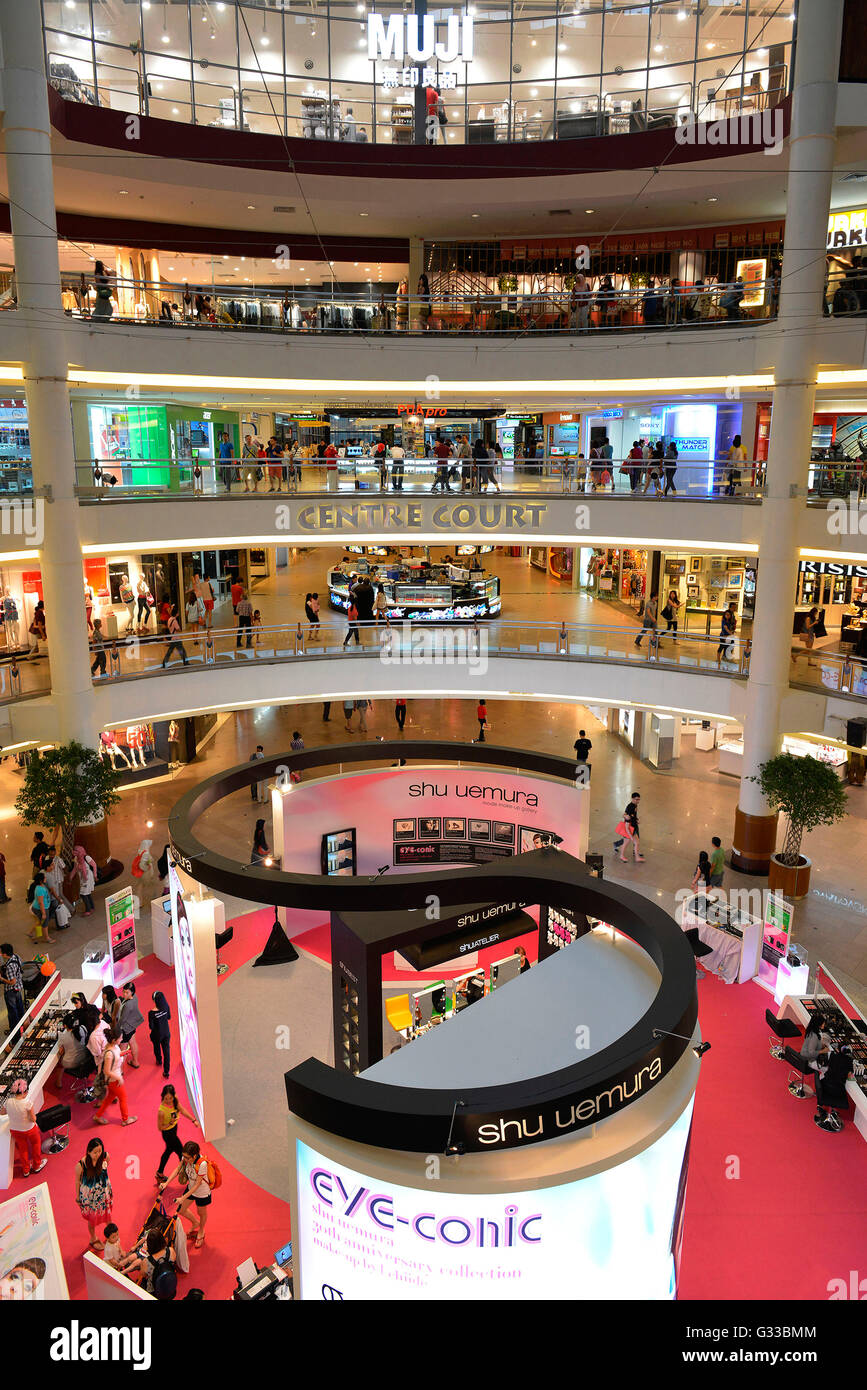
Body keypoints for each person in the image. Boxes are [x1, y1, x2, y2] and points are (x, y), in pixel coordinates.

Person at [2, 1078, 46, 1178]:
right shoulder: (27, 1103)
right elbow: (33, 1119)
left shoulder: (8, 1102)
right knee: (35, 1145)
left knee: (23, 1149)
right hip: (30, 1129)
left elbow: (2, 1112)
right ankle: (36, 1166)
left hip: (16, 1130)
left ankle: (26, 1170)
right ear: (24, 1091)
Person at [93, 1027, 138, 1127]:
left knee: (110, 1098)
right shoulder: (109, 1053)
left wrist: (125, 1052)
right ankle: (125, 1119)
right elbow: (107, 1071)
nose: (121, 1039)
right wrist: (119, 1078)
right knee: (123, 1098)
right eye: (120, 1038)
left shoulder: (113, 1047)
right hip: (114, 1080)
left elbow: (116, 1056)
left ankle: (98, 1116)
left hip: (113, 1079)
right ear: (114, 1040)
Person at [155, 1083, 198, 1183]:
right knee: (181, 1152)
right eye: (166, 1098)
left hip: (174, 1130)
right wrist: (169, 1123)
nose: (169, 1100)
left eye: (170, 1098)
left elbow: (182, 1110)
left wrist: (193, 1120)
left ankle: (159, 1174)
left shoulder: (175, 1101)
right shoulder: (162, 1111)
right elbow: (160, 1127)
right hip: (168, 1133)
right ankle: (186, 1173)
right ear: (163, 1097)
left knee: (168, 1151)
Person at [75, 1137, 113, 1249]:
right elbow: (77, 1181)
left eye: (100, 1151)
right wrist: (78, 1198)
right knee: (92, 1219)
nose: (98, 1154)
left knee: (108, 1215)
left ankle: (110, 1233)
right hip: (90, 1197)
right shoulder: (81, 1165)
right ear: (88, 1151)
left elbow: (106, 1168)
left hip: (104, 1193)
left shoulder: (105, 1157)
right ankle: (93, 1238)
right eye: (95, 1152)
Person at [814, 1046, 854, 1132]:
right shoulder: (849, 1061)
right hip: (836, 1091)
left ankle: (830, 1110)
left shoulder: (833, 1056)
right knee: (843, 1094)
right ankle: (831, 1111)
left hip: (824, 1085)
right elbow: (850, 1074)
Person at [118, 982, 144, 1068]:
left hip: (125, 1028)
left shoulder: (128, 1005)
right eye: (124, 992)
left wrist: (116, 1027)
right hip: (132, 1026)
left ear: (132, 992)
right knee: (133, 1043)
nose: (124, 994)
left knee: (122, 1050)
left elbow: (122, 1019)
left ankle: (120, 1070)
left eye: (127, 992)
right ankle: (135, 1062)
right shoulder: (135, 997)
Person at [1, 944, 25, 1032]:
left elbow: (12, 982)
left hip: (11, 991)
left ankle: (14, 1031)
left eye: (1, 952)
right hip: (18, 987)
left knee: (12, 1012)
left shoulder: (10, 966)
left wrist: (2, 978)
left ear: (4, 954)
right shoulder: (16, 956)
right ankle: (23, 1025)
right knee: (20, 1008)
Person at [27, 869, 56, 944]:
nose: (45, 878)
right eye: (44, 878)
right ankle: (47, 938)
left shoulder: (41, 886)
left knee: (40, 922)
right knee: (45, 924)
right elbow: (40, 902)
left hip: (42, 907)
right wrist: (43, 913)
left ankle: (30, 933)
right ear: (41, 880)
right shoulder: (39, 889)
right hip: (41, 909)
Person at [149, 990, 172, 1078]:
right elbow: (169, 1017)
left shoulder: (151, 1013)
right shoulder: (166, 1006)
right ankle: (166, 1071)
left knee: (157, 1047)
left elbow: (151, 1027)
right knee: (167, 1052)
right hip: (166, 1032)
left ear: (154, 1000)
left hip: (157, 1034)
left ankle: (159, 1060)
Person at [614, 793, 643, 862]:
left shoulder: (635, 805)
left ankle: (637, 857)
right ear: (632, 799)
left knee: (636, 843)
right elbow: (626, 824)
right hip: (629, 829)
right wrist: (630, 836)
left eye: (639, 799)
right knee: (625, 843)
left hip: (633, 827)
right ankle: (621, 856)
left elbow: (634, 816)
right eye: (636, 799)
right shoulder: (630, 808)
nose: (638, 801)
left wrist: (636, 819)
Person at [73, 844, 97, 915]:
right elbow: (75, 869)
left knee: (83, 894)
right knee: (87, 893)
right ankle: (92, 907)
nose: (74, 852)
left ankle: (88, 910)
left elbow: (94, 865)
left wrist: (95, 875)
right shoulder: (76, 858)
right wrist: (71, 877)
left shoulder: (86, 857)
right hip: (82, 878)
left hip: (88, 878)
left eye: (76, 850)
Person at [717, 602, 738, 667]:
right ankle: (721, 659)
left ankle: (726, 657)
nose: (735, 608)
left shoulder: (732, 615)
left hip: (729, 635)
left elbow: (732, 624)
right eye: (734, 607)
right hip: (725, 635)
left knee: (730, 645)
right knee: (722, 646)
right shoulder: (725, 619)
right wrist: (730, 633)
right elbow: (725, 627)